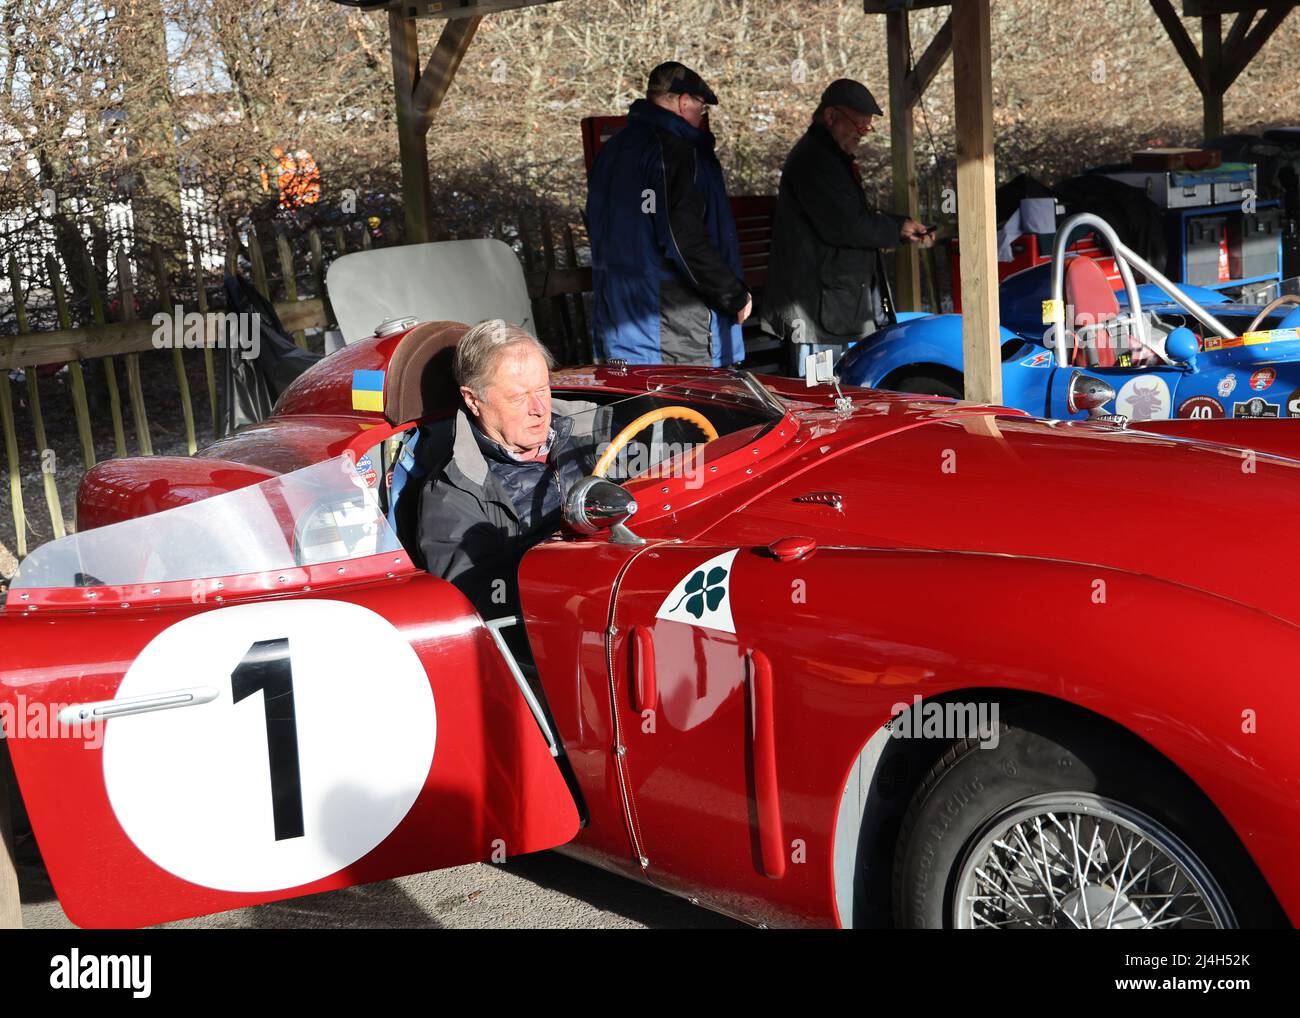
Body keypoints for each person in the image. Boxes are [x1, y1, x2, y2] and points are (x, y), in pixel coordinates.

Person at [416, 320, 607, 618]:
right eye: (518, 397)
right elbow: (481, 598)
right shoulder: (454, 492)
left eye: (542, 389)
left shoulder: (590, 431)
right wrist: (557, 574)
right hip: (558, 626)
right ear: (473, 400)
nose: (540, 409)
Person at [587, 61, 751, 367]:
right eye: (701, 109)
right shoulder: (675, 151)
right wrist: (734, 295)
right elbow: (681, 238)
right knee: (691, 413)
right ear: (683, 101)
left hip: (618, 322)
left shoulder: (612, 151)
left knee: (635, 412)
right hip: (673, 330)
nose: (701, 119)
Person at [764, 78, 932, 377]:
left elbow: (852, 214)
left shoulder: (829, 157)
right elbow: (846, 225)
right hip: (815, 311)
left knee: (834, 392)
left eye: (868, 127)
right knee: (817, 398)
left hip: (829, 304)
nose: (864, 133)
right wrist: (896, 230)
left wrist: (898, 225)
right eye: (859, 125)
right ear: (831, 117)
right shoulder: (816, 160)